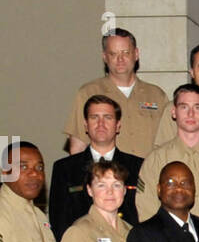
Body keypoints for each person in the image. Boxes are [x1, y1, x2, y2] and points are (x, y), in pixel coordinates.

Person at [136, 83, 199, 225]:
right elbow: (146, 207)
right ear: (174, 112)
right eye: (184, 107)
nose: (191, 114)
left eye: (197, 107)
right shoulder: (157, 159)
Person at [49, 95, 140, 242]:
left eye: (108, 118)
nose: (101, 124)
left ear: (118, 125)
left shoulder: (137, 166)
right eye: (94, 117)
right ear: (85, 125)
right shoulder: (64, 169)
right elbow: (59, 220)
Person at [63, 28, 167, 157]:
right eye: (113, 54)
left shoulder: (157, 95)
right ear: (105, 57)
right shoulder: (88, 93)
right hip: (107, 175)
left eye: (125, 52)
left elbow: (168, 144)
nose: (120, 59)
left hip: (148, 174)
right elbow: (78, 146)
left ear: (136, 54)